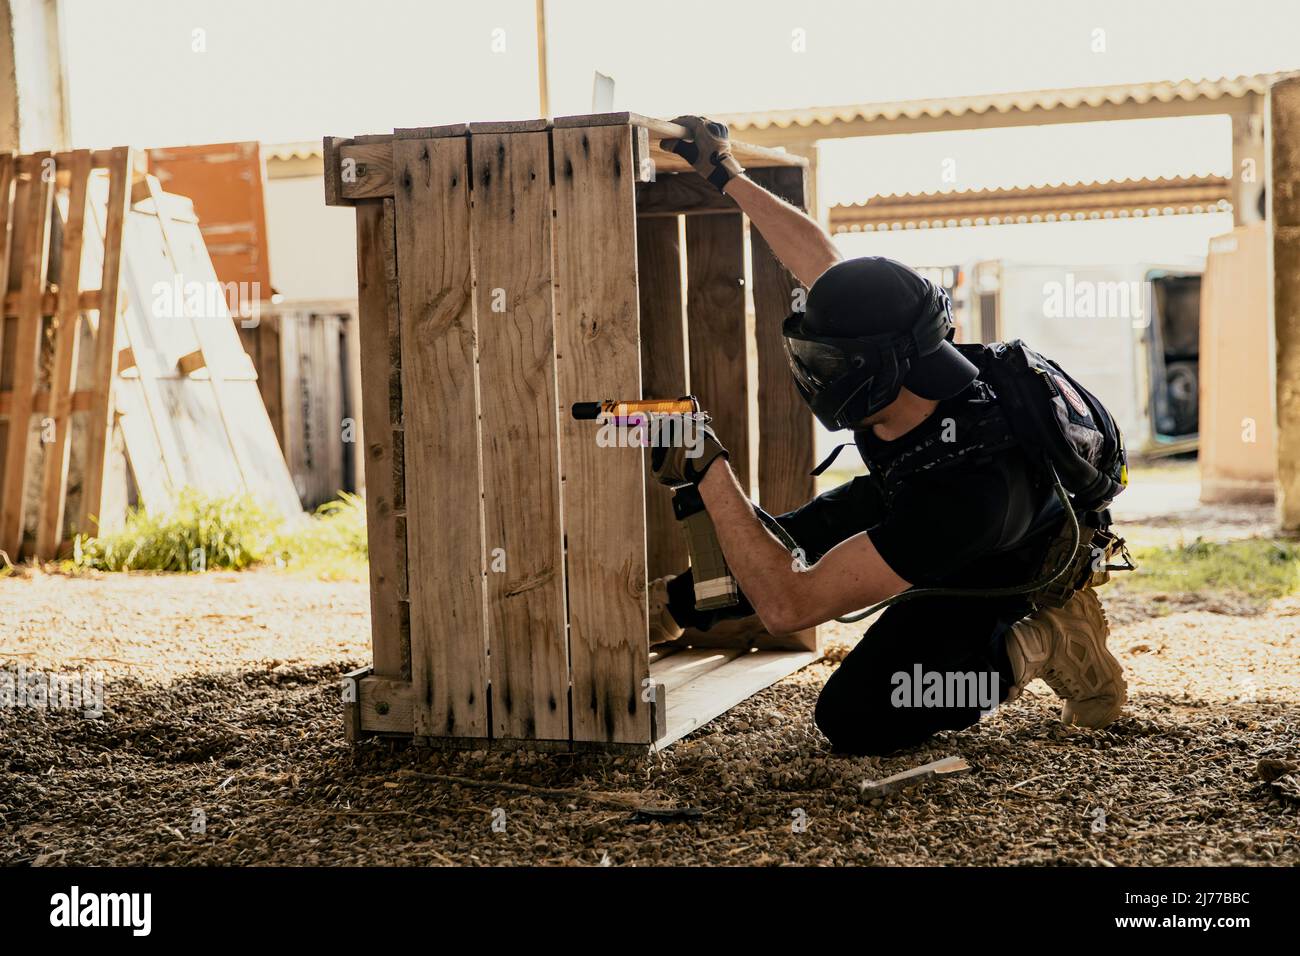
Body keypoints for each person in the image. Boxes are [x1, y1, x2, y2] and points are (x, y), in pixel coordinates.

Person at [647, 116, 1127, 756]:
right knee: (761, 554)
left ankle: (1040, 643)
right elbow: (825, 265)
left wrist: (709, 467)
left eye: (829, 362)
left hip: (1005, 559)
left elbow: (790, 607)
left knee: (865, 712)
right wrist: (726, 175)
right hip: (915, 491)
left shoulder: (967, 499)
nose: (818, 371)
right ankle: (656, 615)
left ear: (872, 371)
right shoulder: (912, 355)